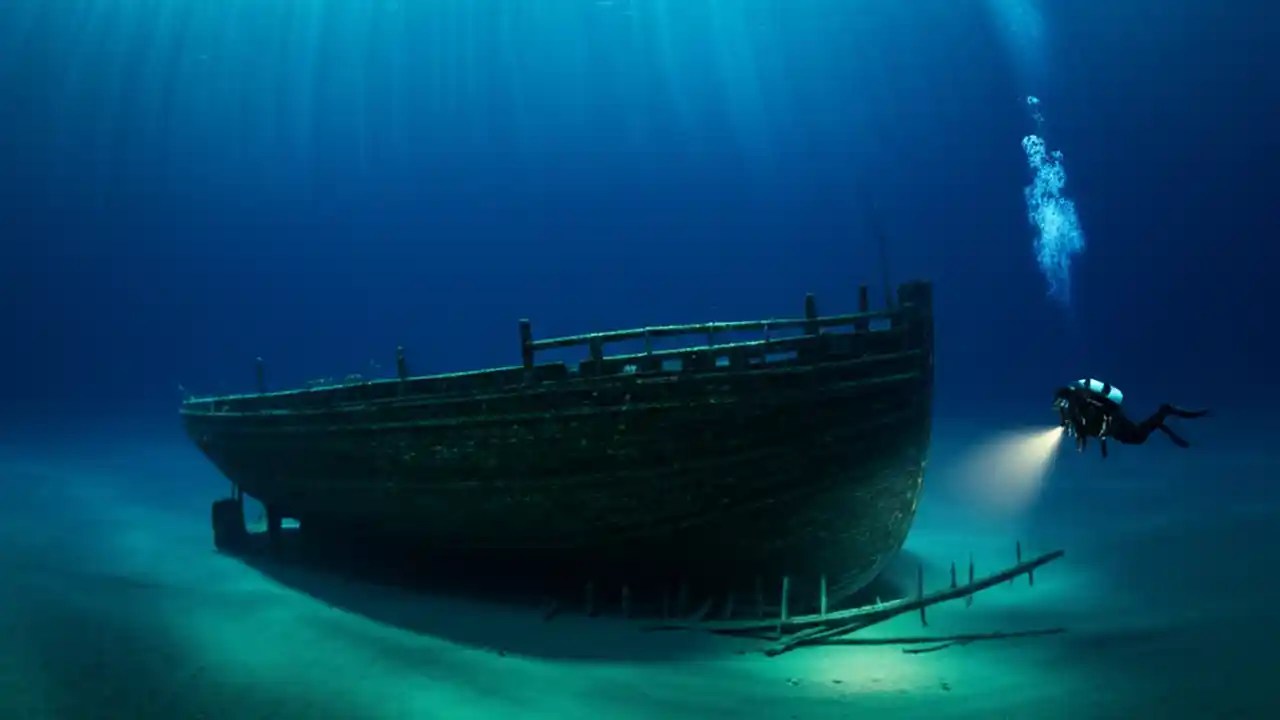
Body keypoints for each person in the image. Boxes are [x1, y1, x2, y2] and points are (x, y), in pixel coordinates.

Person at [1053, 378, 1209, 458]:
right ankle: (1160, 419)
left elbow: (1086, 427)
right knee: (1137, 436)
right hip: (1113, 426)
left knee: (1138, 437)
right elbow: (1088, 428)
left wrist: (1081, 440)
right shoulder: (1077, 408)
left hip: (1115, 423)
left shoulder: (1078, 405)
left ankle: (1164, 412)